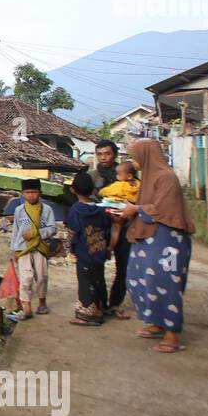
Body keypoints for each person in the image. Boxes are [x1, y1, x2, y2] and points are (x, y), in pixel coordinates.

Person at [120, 139, 196, 353]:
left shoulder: (166, 177)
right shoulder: (148, 178)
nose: (133, 161)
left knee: (165, 283)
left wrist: (136, 210)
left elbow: (165, 208)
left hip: (167, 241)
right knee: (139, 280)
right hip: (147, 237)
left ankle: (171, 335)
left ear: (146, 154)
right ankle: (157, 323)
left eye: (135, 156)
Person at [89, 139, 132, 319]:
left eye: (107, 153)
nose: (103, 157)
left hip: (124, 226)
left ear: (115, 154)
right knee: (96, 266)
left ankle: (114, 304)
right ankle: (100, 303)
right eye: (99, 154)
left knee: (123, 267)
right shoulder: (92, 176)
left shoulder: (126, 174)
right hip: (99, 227)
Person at [66, 172, 110, 326]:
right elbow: (107, 228)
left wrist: (70, 249)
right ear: (92, 190)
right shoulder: (100, 209)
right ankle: (100, 308)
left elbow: (72, 232)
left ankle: (87, 314)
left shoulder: (76, 210)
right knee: (98, 279)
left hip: (84, 252)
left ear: (73, 190)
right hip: (99, 250)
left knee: (85, 282)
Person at [10, 178, 57, 319]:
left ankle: (42, 303)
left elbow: (53, 229)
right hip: (23, 248)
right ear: (22, 193)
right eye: (28, 192)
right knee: (26, 278)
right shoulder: (19, 210)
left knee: (42, 277)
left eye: (34, 192)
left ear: (40, 193)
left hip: (40, 247)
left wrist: (36, 233)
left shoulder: (46, 210)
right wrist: (14, 250)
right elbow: (15, 230)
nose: (31, 195)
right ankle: (27, 309)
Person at [99, 160, 142, 251]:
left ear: (129, 176)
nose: (117, 176)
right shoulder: (138, 184)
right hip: (130, 208)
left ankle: (111, 246)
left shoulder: (120, 185)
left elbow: (105, 191)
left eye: (119, 174)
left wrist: (100, 192)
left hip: (118, 208)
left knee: (116, 227)